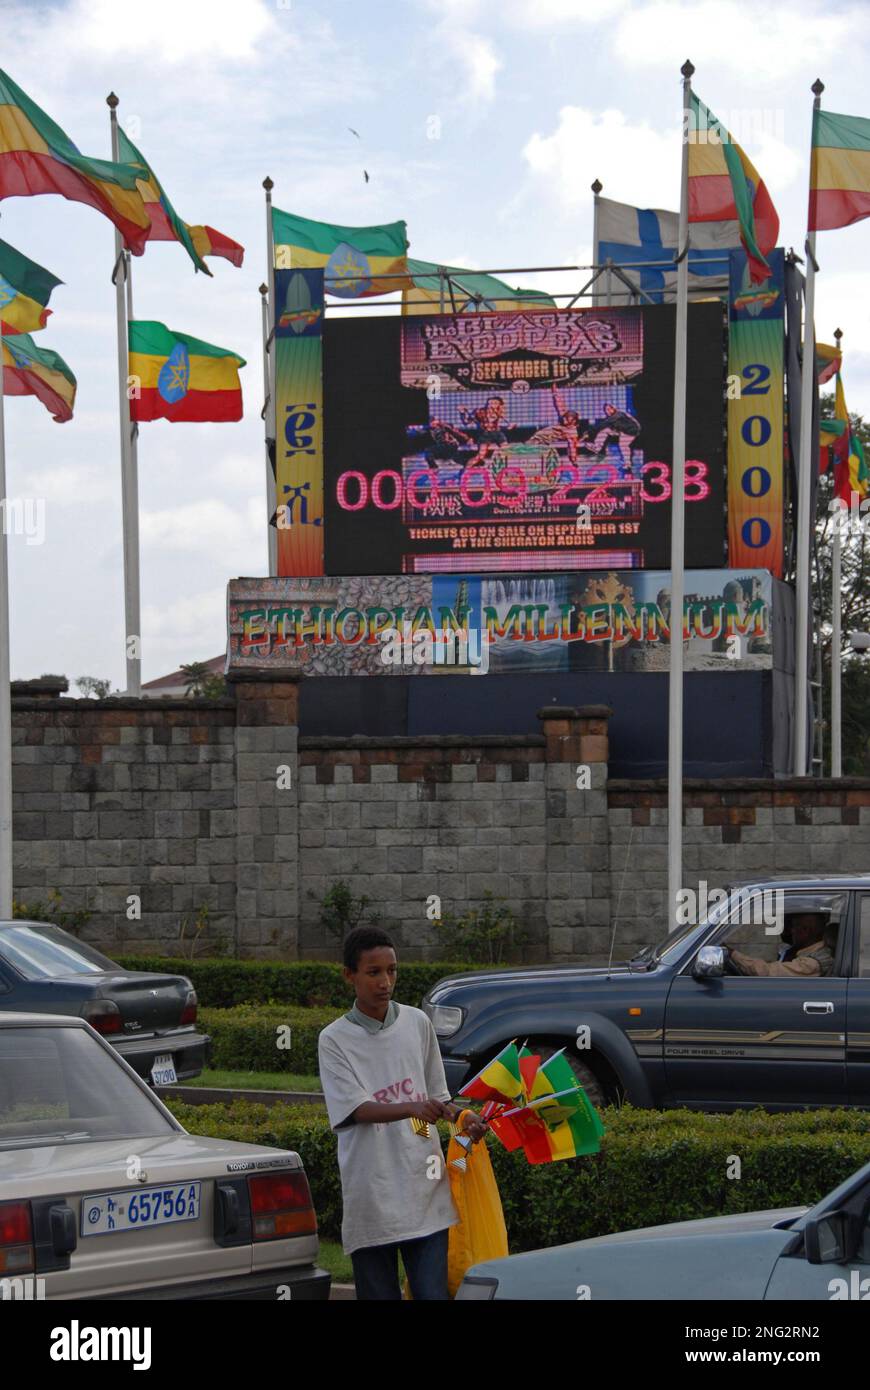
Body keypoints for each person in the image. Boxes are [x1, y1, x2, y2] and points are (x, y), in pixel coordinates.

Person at [317, 925, 487, 1300]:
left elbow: (438, 1098)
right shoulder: (333, 1039)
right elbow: (357, 1109)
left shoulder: (417, 1023)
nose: (385, 982)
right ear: (350, 975)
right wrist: (412, 1106)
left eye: (392, 970)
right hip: (371, 1194)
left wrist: (463, 1117)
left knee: (432, 1294)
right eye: (373, 972)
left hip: (424, 1186)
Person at [725, 912, 835, 978]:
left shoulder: (811, 964)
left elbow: (766, 972)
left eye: (794, 927)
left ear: (806, 930)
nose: (791, 931)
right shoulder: (809, 953)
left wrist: (732, 954)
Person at [584, 402, 641, 475]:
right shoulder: (613, 418)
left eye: (608, 409)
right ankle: (597, 447)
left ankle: (628, 465)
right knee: (605, 431)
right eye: (605, 410)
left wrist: (589, 432)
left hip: (632, 430)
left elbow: (604, 423)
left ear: (613, 409)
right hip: (623, 430)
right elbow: (606, 425)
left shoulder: (618, 414)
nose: (607, 412)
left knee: (623, 445)